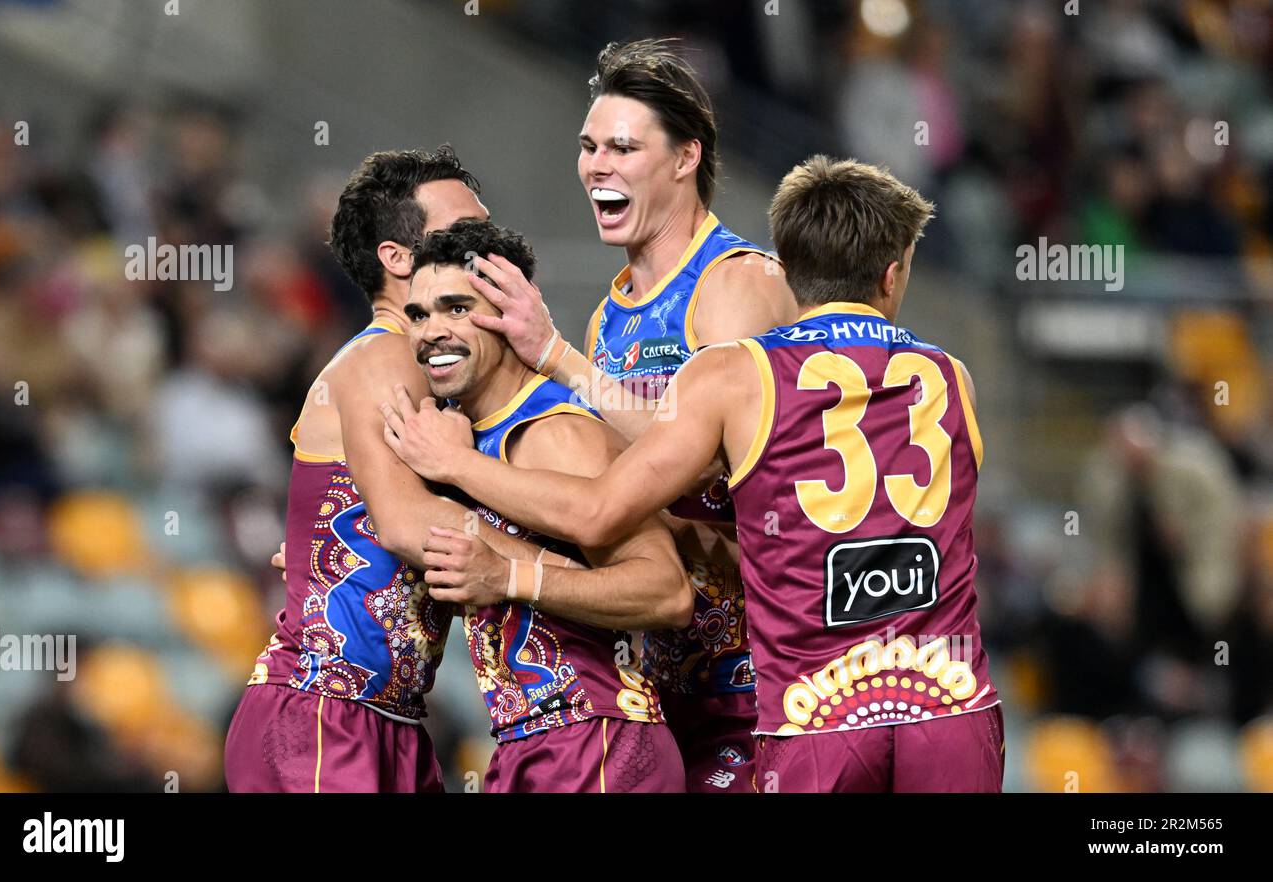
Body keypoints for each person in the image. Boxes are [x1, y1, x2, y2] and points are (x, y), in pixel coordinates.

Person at [383, 157, 1004, 793]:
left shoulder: (733, 375)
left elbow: (600, 512)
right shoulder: (955, 378)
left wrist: (458, 463)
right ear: (893, 274)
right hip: (949, 702)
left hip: (816, 710)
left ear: (784, 269)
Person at [227, 148, 684, 792]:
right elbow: (408, 523)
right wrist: (561, 574)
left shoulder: (511, 416)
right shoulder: (389, 359)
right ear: (397, 259)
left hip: (405, 719)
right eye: (459, 229)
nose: (482, 245)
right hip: (331, 710)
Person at [460, 38, 797, 792]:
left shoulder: (734, 283)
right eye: (587, 146)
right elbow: (605, 499)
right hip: (658, 678)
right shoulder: (610, 316)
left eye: (621, 147)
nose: (596, 165)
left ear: (684, 159)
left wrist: (557, 358)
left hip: (759, 682)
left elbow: (727, 465)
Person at [396, 219, 690, 792]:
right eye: (419, 314)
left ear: (506, 315)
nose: (431, 332)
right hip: (532, 744)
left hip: (599, 745)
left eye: (456, 309)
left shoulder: (554, 432)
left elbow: (667, 590)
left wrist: (506, 574)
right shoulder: (474, 437)